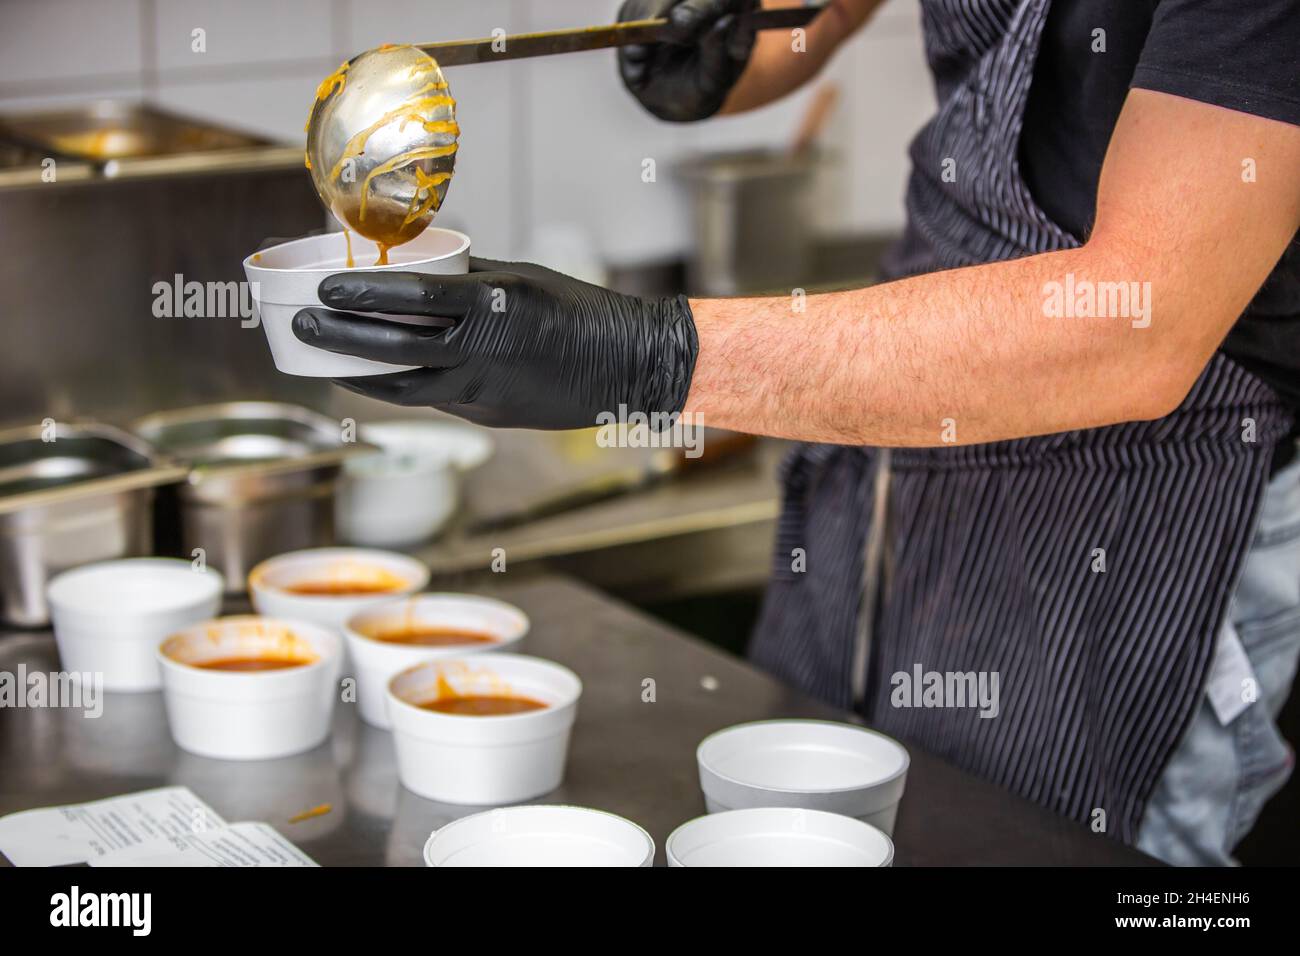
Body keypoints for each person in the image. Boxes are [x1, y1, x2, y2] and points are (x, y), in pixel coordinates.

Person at [291, 0, 1300, 865]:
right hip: (910, 432)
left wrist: (647, 357)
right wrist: (771, 32)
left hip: (1159, 497)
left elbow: (1140, 323)